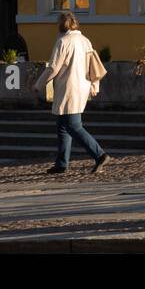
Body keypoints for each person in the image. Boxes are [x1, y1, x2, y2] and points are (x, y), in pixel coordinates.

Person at [33, 11, 109, 174]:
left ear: (61, 26)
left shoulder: (63, 42)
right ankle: (61, 163)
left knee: (74, 126)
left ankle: (99, 154)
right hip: (82, 86)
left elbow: (53, 68)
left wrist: (38, 84)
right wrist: (95, 85)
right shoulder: (85, 41)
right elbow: (93, 65)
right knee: (62, 126)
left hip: (69, 87)